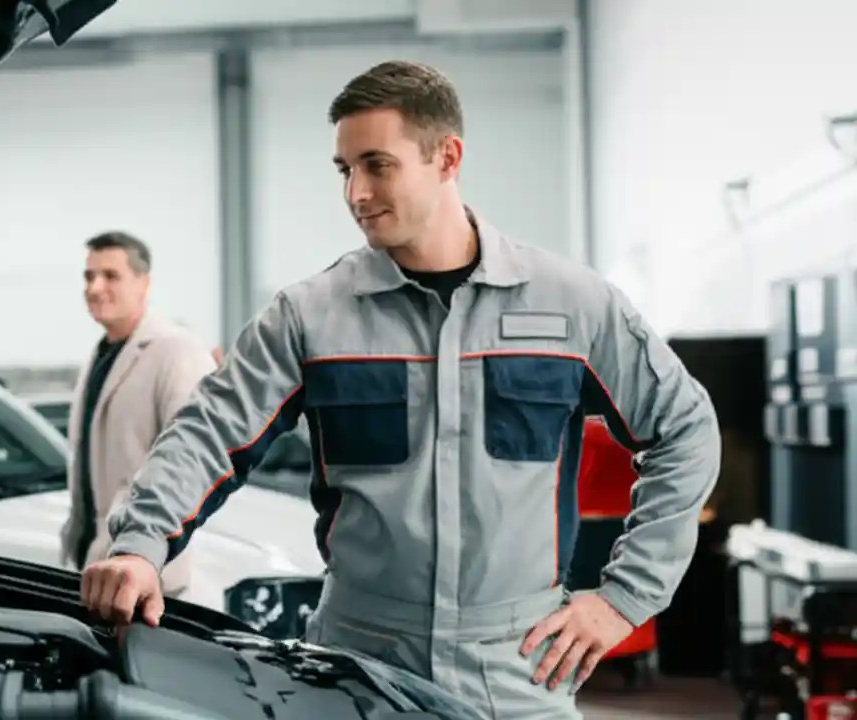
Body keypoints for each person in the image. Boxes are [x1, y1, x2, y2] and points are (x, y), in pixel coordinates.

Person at [79, 61, 720, 717]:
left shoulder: (572, 305)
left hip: (519, 665)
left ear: (447, 157)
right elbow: (208, 434)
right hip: (360, 660)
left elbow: (685, 429)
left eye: (376, 164)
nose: (356, 192)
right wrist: (139, 546)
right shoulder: (310, 316)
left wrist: (624, 600)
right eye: (344, 169)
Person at [59, 230, 217, 599]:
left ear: (143, 282)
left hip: (152, 573)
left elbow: (193, 462)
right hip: (94, 560)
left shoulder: (178, 350)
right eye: (89, 276)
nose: (95, 287)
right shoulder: (100, 355)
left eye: (110, 276)